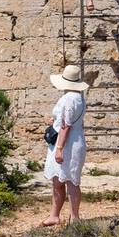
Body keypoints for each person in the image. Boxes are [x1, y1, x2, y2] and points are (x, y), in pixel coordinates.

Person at [43, 62, 88, 227]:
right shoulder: (80, 98)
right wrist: (54, 121)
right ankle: (57, 215)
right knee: (63, 179)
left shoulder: (69, 98)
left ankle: (73, 217)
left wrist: (59, 148)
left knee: (69, 181)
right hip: (76, 140)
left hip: (67, 143)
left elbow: (66, 125)